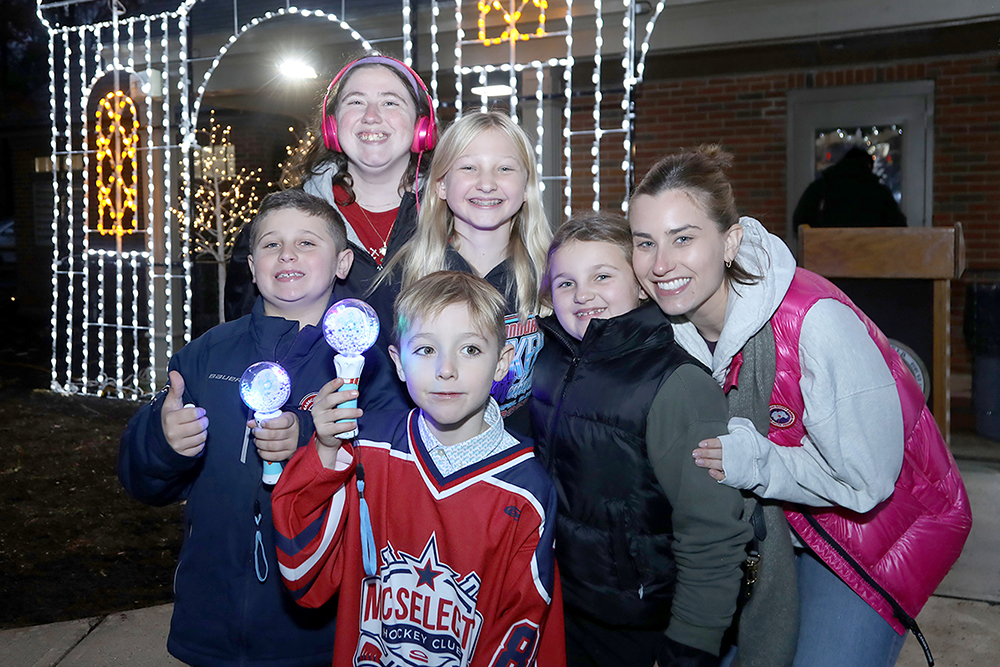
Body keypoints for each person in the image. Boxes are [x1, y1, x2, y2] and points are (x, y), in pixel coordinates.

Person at [628, 145, 972, 667]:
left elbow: (868, 482)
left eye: (683, 239)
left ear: (730, 242)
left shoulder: (814, 323)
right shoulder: (670, 329)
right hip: (774, 527)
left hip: (873, 531)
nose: (660, 264)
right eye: (644, 243)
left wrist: (757, 462)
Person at [118, 190, 405, 667]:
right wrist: (163, 442)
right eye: (271, 244)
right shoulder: (208, 354)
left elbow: (391, 487)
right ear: (252, 266)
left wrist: (314, 446)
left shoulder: (374, 366)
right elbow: (141, 482)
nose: (287, 254)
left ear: (343, 262)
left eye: (307, 243)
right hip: (213, 618)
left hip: (319, 626)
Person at [272, 271, 563, 667]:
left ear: (503, 363)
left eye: (471, 350)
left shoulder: (527, 491)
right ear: (398, 362)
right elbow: (303, 575)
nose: (447, 369)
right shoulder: (364, 450)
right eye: (426, 350)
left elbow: (522, 630)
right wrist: (325, 452)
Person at [529, 212, 750, 667]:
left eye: (603, 276)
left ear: (641, 285)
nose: (582, 294)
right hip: (556, 602)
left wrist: (691, 645)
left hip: (642, 619)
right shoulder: (543, 362)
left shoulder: (677, 383)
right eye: (565, 282)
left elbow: (712, 531)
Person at [225, 52, 437, 354]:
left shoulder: (455, 218)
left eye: (390, 102)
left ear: (421, 126)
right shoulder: (278, 231)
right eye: (356, 102)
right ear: (332, 125)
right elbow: (248, 348)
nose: (372, 116)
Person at [375, 110, 551, 432]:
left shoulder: (551, 276)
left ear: (526, 187)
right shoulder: (406, 274)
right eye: (469, 167)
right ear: (441, 184)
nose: (487, 184)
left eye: (505, 168)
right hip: (424, 459)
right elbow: (381, 391)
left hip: (523, 462)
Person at [792, 146, 906, 230]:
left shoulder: (821, 187)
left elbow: (799, 222)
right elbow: (899, 227)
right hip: (870, 253)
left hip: (826, 253)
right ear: (868, 166)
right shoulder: (879, 192)